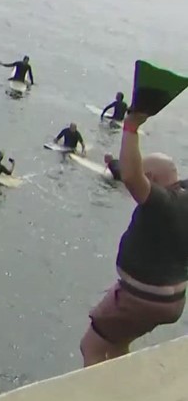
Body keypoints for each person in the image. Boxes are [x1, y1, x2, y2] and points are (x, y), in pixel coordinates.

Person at [80, 112, 188, 367]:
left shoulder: (161, 203)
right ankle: (126, 385)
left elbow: (131, 177)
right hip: (172, 300)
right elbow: (127, 172)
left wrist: (131, 127)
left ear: (150, 179)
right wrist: (115, 164)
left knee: (91, 347)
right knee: (118, 344)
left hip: (140, 298)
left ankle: (97, 393)